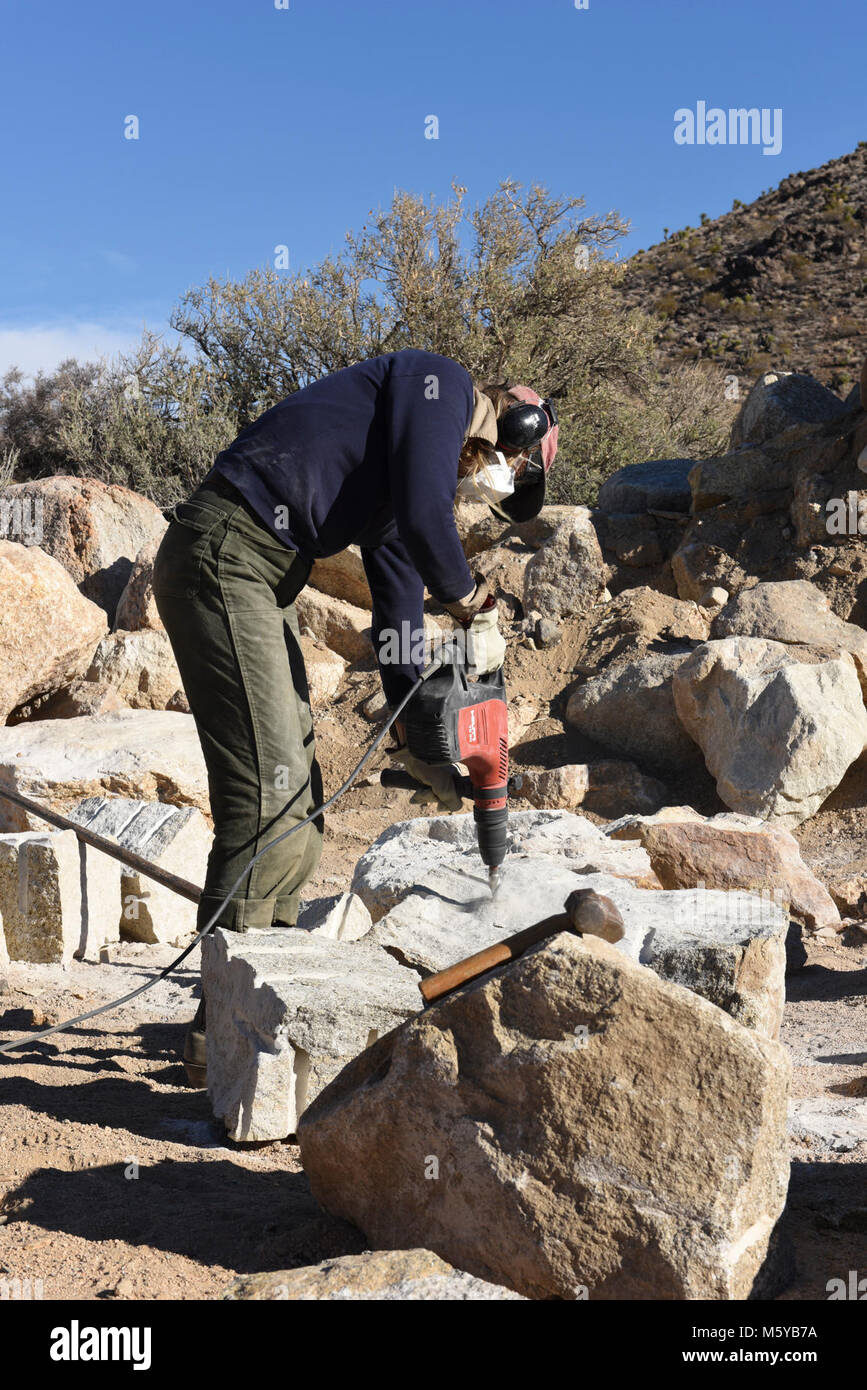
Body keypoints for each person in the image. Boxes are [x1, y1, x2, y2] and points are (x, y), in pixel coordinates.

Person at [151, 349, 558, 1085]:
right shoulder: (437, 385)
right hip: (227, 554)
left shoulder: (406, 477)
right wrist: (470, 601)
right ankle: (221, 1035)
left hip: (261, 575)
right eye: (508, 465)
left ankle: (251, 999)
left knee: (301, 808)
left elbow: (399, 597)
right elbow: (432, 521)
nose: (487, 480)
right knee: (268, 796)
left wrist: (415, 734)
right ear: (517, 427)